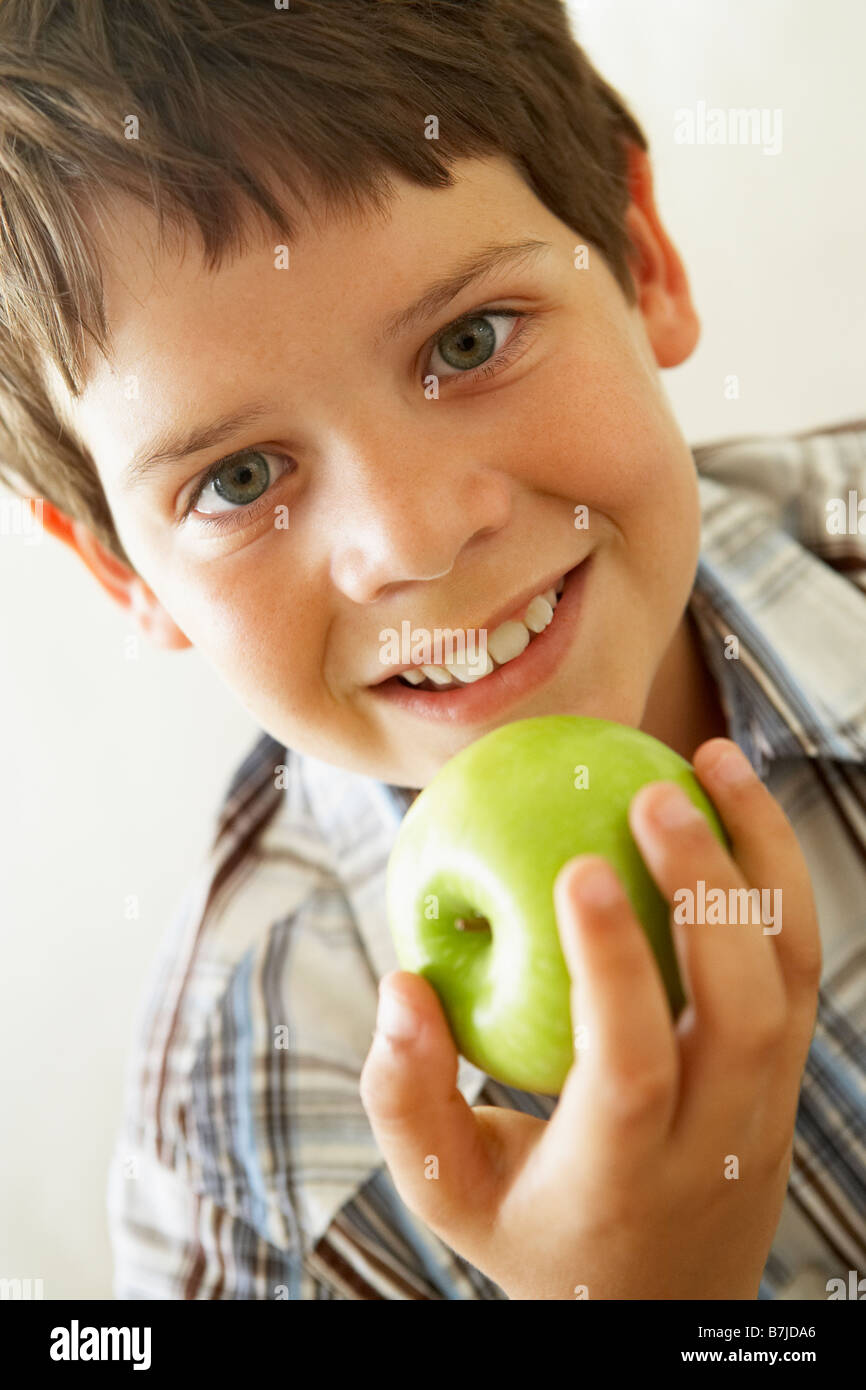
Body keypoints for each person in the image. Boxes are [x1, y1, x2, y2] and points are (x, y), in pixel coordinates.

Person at [1, 0, 863, 1299]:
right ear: (126, 569)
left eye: (467, 341)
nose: (407, 538)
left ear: (640, 255)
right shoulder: (257, 1150)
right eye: (239, 477)